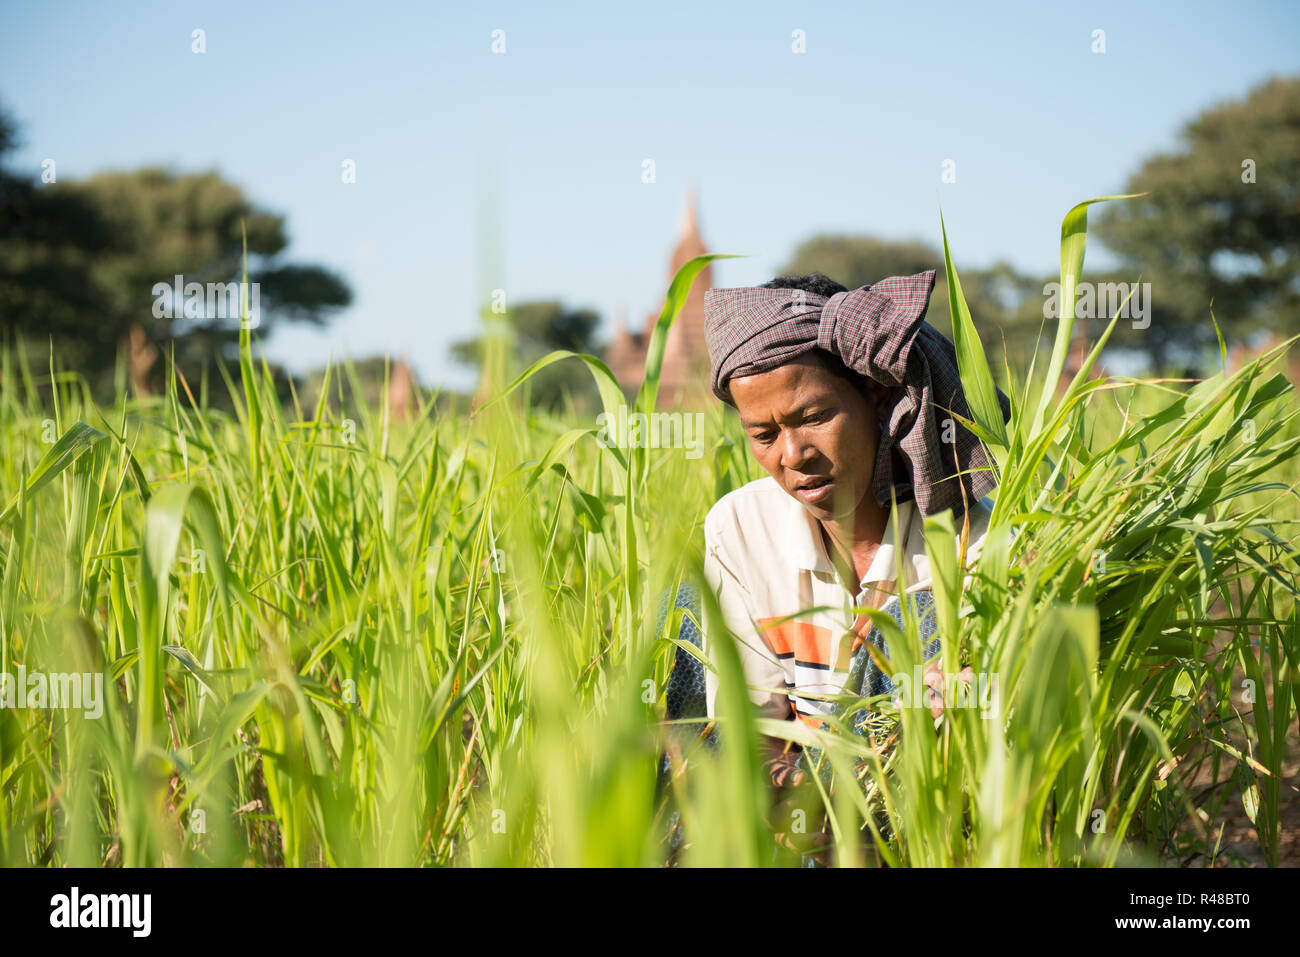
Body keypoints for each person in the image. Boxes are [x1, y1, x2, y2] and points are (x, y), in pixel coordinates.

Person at [698, 268, 1011, 799]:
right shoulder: (740, 531)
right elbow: (750, 735)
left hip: (945, 812)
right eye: (764, 434)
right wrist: (796, 798)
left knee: (929, 619)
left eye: (815, 416)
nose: (793, 455)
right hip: (808, 819)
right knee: (679, 609)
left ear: (873, 393)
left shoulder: (974, 535)